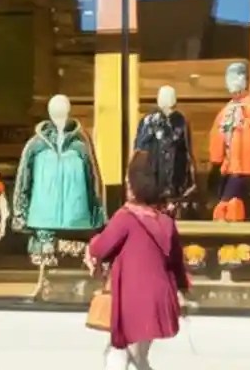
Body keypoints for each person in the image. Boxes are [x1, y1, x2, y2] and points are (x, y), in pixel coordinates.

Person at [86, 151, 190, 370]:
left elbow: (100, 247)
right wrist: (182, 291)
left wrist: (92, 245)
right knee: (139, 356)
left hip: (131, 298)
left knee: (118, 352)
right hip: (159, 298)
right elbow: (177, 264)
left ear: (132, 184)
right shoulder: (166, 222)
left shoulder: (126, 217)